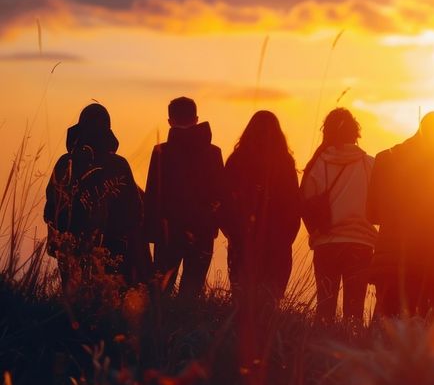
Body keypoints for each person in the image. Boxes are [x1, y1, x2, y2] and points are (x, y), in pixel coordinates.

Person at [367, 112, 434, 317]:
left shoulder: (385, 158)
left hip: (389, 256)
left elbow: (371, 214)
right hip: (427, 258)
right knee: (420, 325)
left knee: (384, 324)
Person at [44, 104, 144, 289]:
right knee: (108, 296)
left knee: (72, 293)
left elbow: (51, 206)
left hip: (69, 245)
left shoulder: (65, 162)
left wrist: (61, 235)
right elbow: (134, 210)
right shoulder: (118, 164)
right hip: (111, 248)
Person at [301, 108, 376, 324]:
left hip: (326, 244)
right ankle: (351, 354)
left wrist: (316, 231)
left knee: (325, 310)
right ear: (355, 132)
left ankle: (321, 354)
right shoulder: (369, 164)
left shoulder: (318, 164)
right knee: (354, 313)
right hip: (361, 244)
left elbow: (305, 203)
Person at [144, 97, 224, 298]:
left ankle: (160, 329)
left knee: (160, 293)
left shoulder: (161, 152)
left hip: (168, 232)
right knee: (191, 294)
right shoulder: (214, 153)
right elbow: (220, 194)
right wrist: (213, 225)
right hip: (203, 231)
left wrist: (152, 231)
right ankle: (189, 328)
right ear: (196, 119)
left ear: (170, 121)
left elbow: (153, 194)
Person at [221, 111, 301, 305]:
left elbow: (225, 203)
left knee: (241, 300)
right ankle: (270, 334)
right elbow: (294, 206)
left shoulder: (236, 160)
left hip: (242, 242)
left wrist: (233, 235)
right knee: (271, 300)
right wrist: (284, 240)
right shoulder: (285, 162)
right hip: (277, 245)